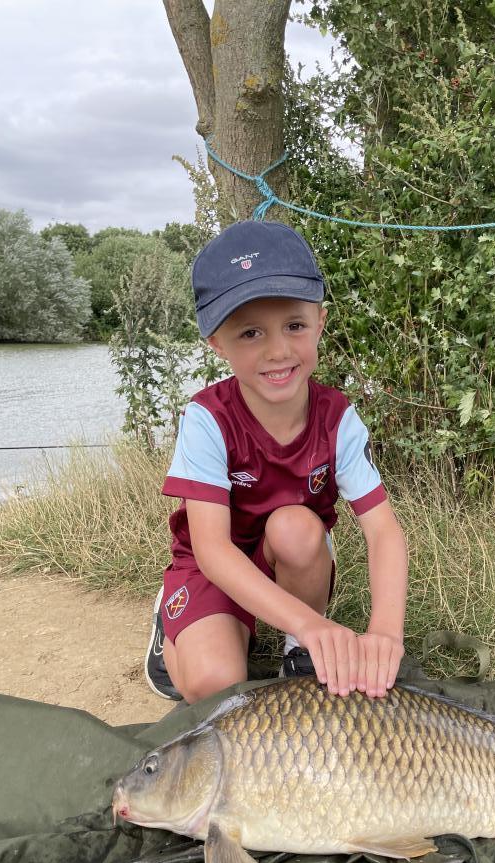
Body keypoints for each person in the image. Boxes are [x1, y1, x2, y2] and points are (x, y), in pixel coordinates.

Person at [144, 219, 408, 704]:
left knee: (297, 528)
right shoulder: (207, 419)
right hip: (213, 565)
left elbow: (383, 531)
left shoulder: (338, 418)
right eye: (250, 333)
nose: (278, 350)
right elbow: (213, 550)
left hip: (285, 556)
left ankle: (297, 648)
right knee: (215, 686)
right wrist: (315, 622)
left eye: (293, 325)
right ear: (217, 345)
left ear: (319, 322)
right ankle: (175, 628)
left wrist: (386, 632)